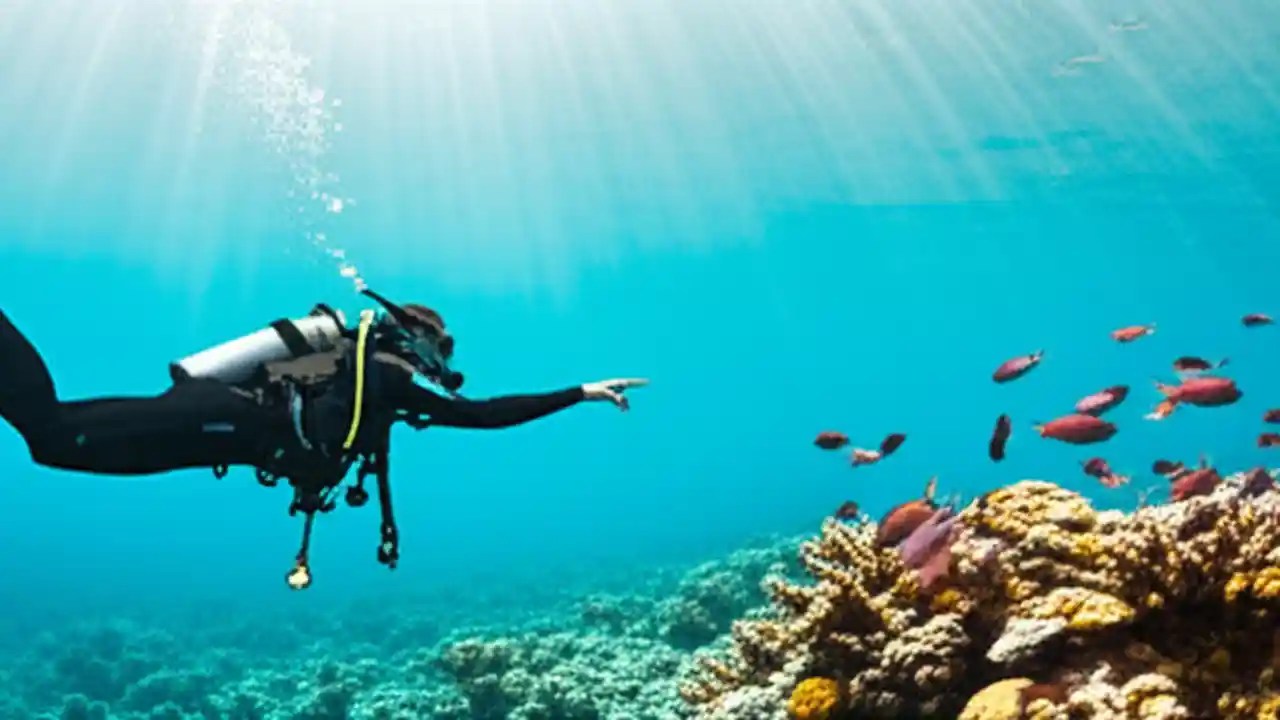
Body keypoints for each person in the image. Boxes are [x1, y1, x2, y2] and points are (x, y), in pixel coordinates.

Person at [0, 288, 647, 588]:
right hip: (222, 419)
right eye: (439, 349)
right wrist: (577, 392)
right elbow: (482, 414)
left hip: (218, 430)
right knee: (53, 433)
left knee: (50, 440)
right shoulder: (382, 373)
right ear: (416, 338)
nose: (440, 365)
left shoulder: (370, 380)